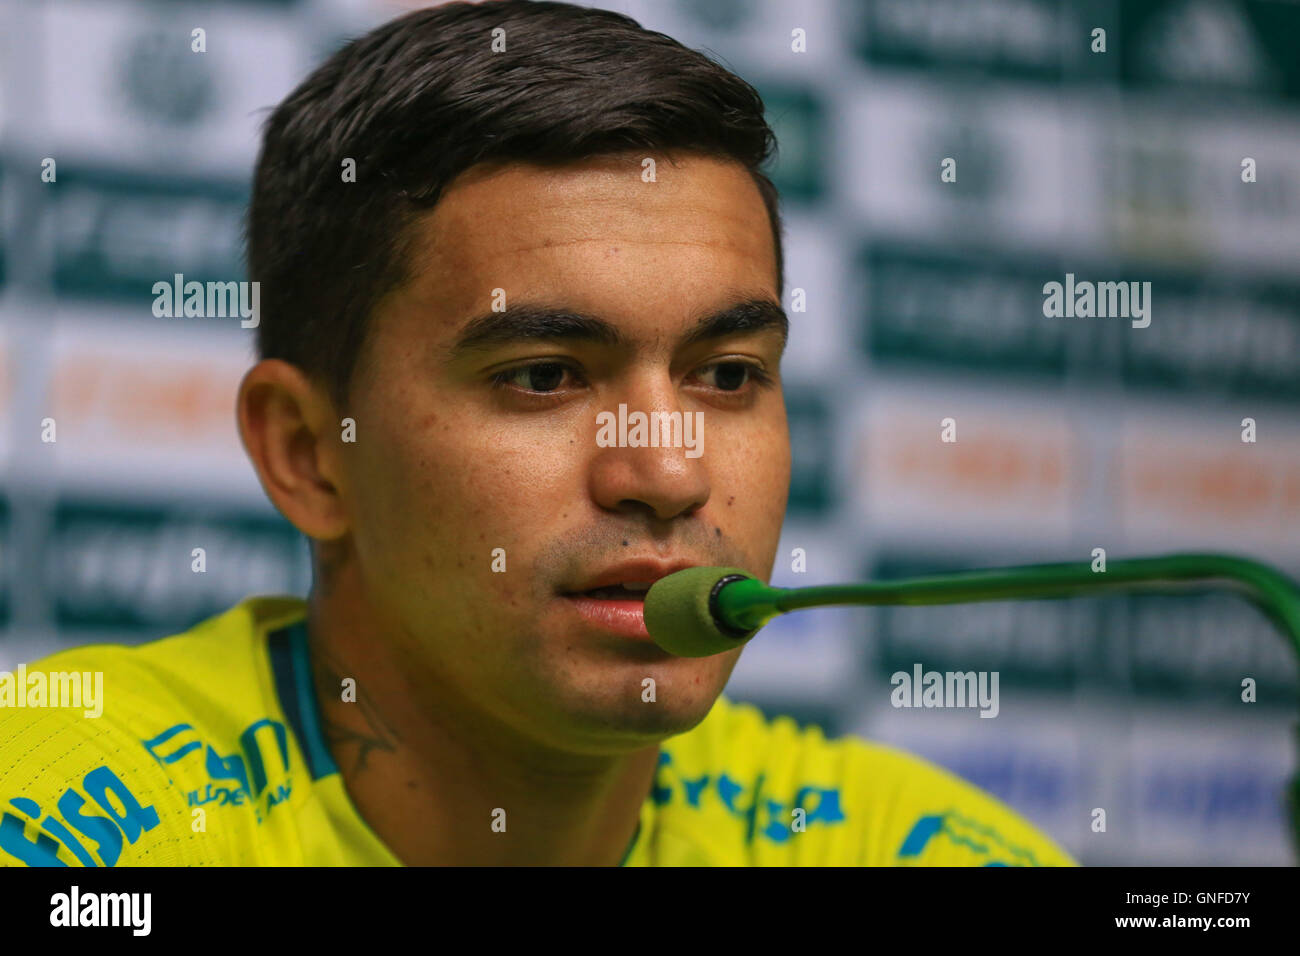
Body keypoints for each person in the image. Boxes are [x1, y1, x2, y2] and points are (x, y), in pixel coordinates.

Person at [0, 0, 1074, 866]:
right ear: (307, 452)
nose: (666, 470)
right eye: (545, 375)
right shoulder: (62, 818)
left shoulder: (902, 844)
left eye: (727, 373)